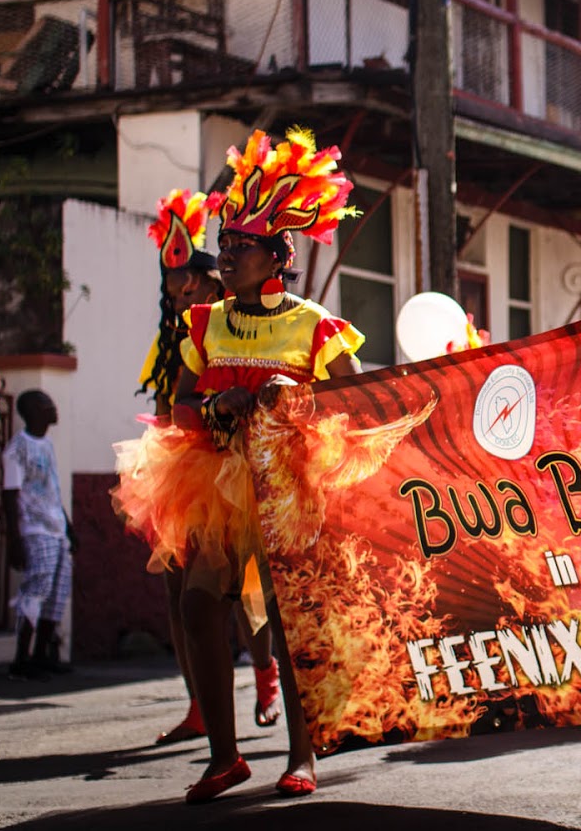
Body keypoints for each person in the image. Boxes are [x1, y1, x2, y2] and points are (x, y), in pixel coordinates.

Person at [115, 129, 364, 802]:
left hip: (290, 489)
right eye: (222, 246)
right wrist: (216, 403)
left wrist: (292, 401)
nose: (226, 257)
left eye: (240, 247)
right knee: (198, 603)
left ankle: (303, 753)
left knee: (288, 622)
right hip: (220, 484)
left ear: (278, 254)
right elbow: (179, 401)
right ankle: (224, 756)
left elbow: (355, 400)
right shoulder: (205, 323)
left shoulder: (315, 325)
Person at [136, 190, 282, 747]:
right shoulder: (177, 334)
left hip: (250, 467)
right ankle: (201, 705)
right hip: (183, 465)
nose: (180, 293)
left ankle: (266, 677)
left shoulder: (237, 322)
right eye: (172, 287)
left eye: (188, 283)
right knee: (184, 594)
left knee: (252, 595)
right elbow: (169, 400)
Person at [2, 390, 74, 680]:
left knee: (56, 595)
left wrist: (68, 528)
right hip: (34, 529)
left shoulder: (46, 444)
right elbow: (9, 494)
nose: (53, 407)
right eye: (45, 404)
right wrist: (14, 538)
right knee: (35, 591)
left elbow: (52, 490)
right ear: (31, 410)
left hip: (57, 530)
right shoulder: (18, 449)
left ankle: (43, 654)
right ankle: (22, 657)